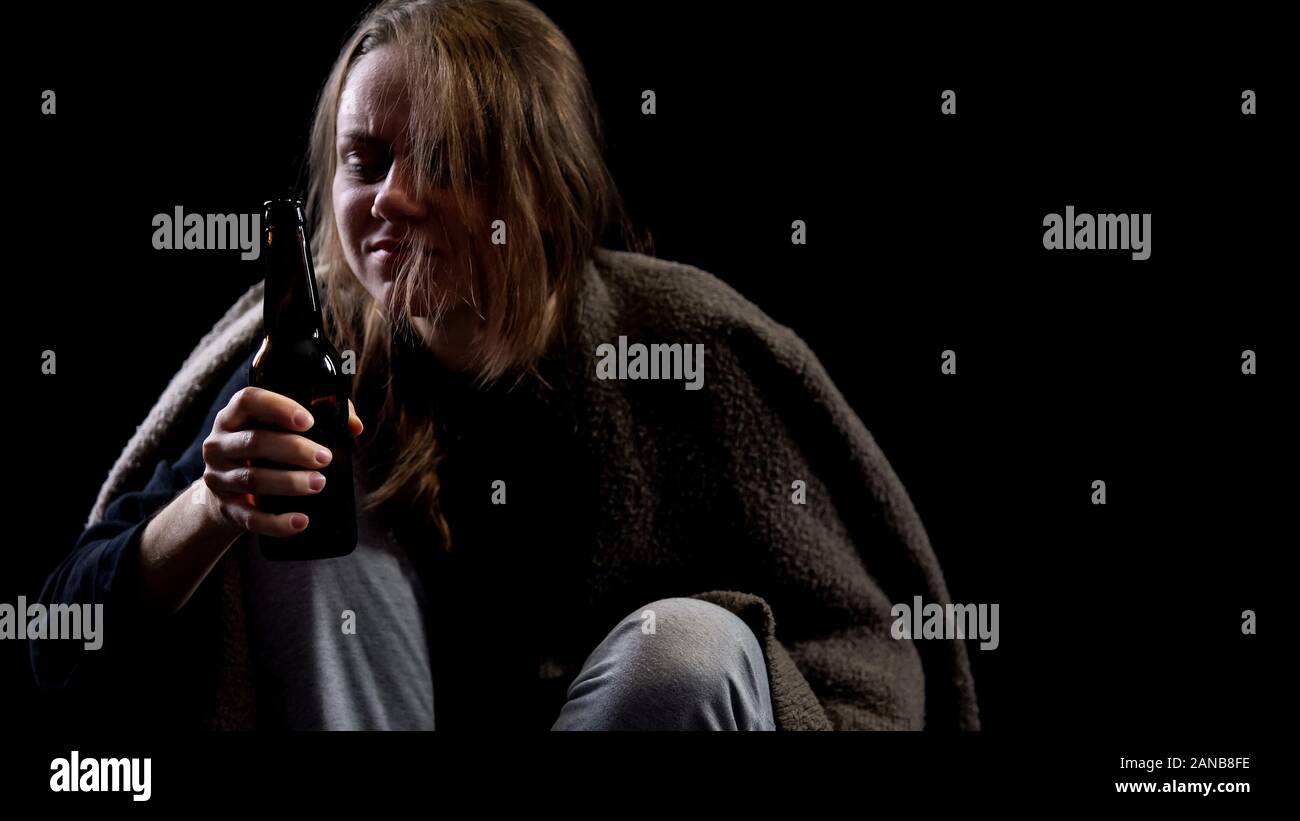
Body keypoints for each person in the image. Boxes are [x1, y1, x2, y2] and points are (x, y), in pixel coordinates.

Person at [32, 0, 977, 731]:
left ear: (544, 191)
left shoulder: (692, 345)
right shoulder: (303, 356)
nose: (390, 200)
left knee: (687, 647)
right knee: (315, 485)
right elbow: (62, 644)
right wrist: (210, 503)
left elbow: (871, 652)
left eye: (440, 160)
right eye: (366, 161)